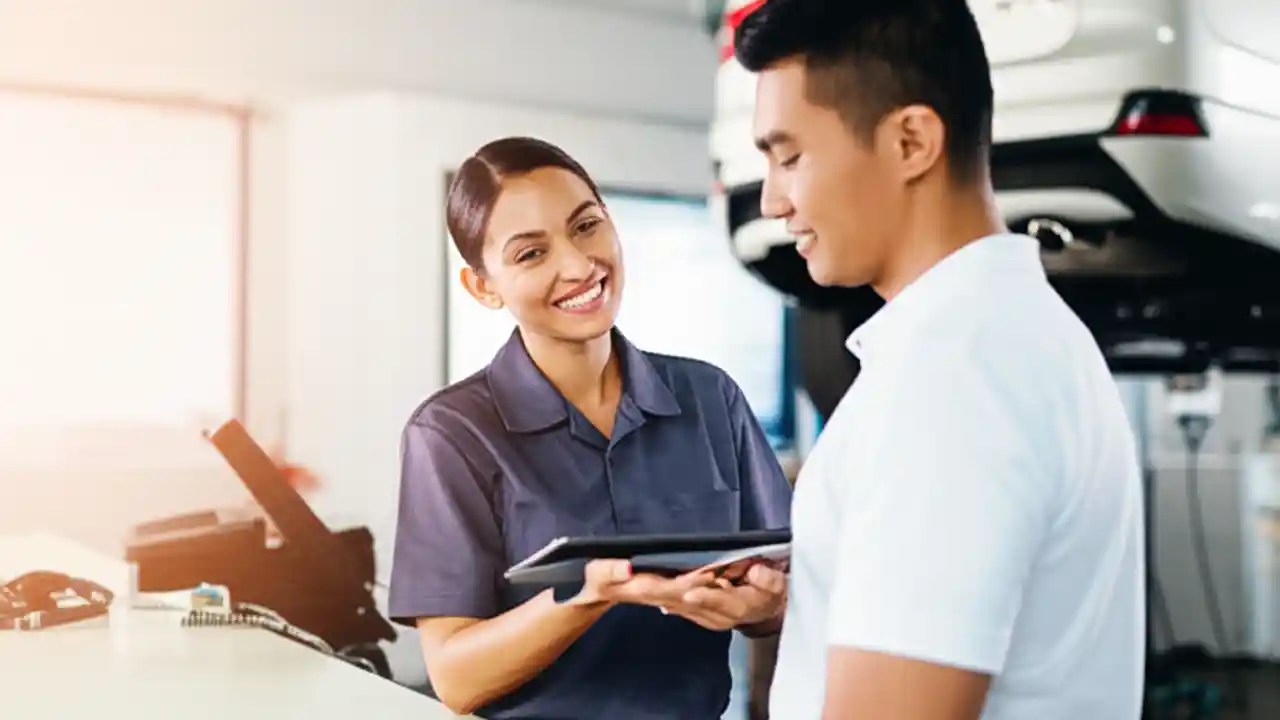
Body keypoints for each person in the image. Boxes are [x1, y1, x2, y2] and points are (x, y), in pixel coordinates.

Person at [715, 0, 1145, 718]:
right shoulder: (1016, 336)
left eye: (789, 157)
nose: (773, 200)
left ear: (912, 141)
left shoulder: (948, 382)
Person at [387, 136, 793, 719]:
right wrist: (589, 595)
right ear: (484, 286)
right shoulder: (451, 434)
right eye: (531, 254)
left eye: (586, 226)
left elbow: (782, 598)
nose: (579, 266)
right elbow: (456, 678)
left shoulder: (711, 399)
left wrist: (760, 605)